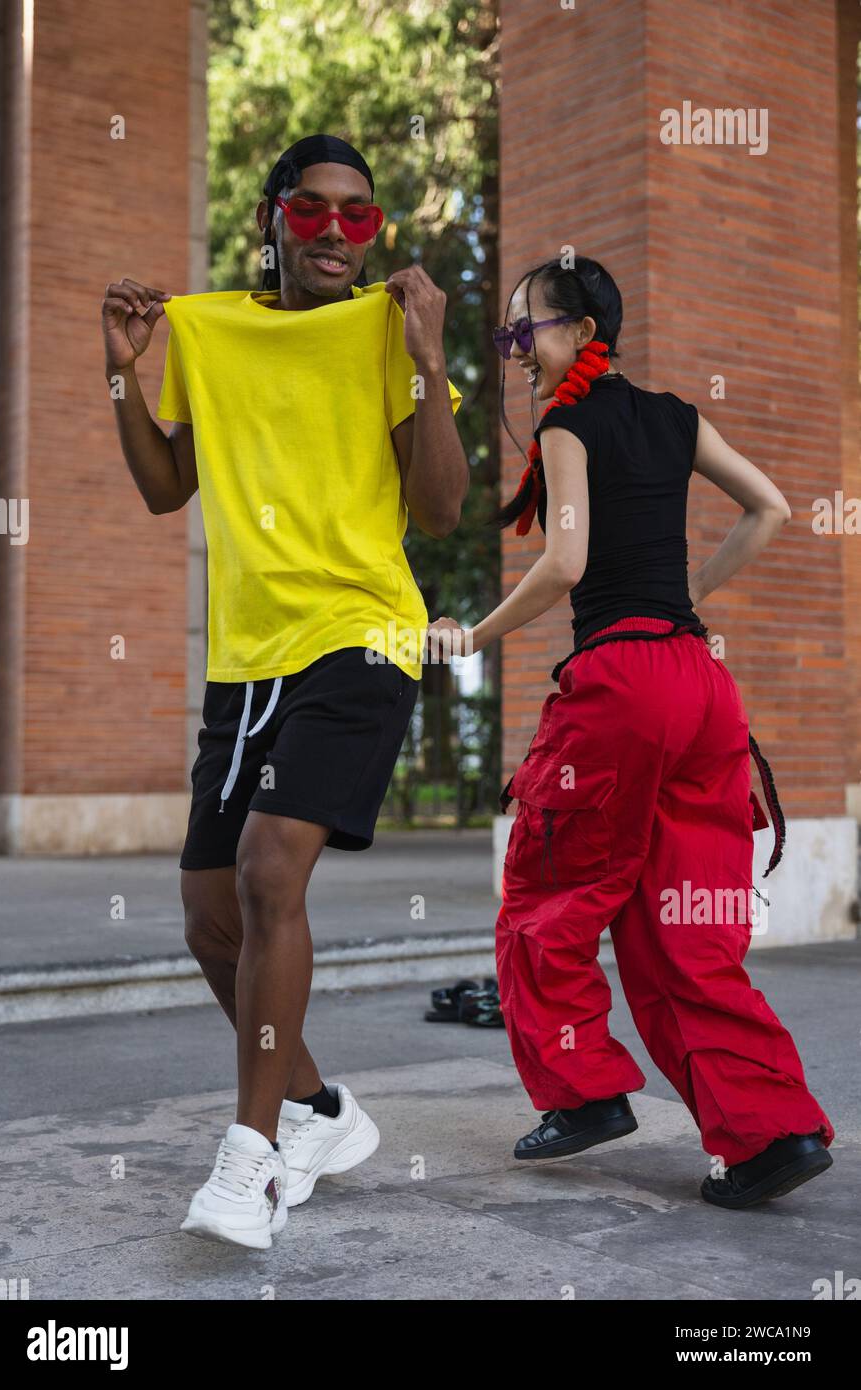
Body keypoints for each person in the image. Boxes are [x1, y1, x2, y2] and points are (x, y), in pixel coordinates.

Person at [102, 134, 466, 1249]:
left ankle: (249, 1161)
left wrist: (426, 349)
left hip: (362, 628)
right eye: (310, 210)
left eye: (358, 217)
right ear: (273, 217)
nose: (332, 233)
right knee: (212, 919)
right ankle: (317, 1111)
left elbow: (442, 509)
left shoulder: (384, 333)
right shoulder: (213, 331)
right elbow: (168, 488)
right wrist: (126, 365)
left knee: (269, 870)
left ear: (374, 236)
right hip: (247, 654)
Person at [429, 255, 834, 1211]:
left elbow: (565, 562)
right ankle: (770, 1133)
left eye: (522, 331)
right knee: (688, 926)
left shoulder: (570, 422)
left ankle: (586, 1095)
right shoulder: (677, 416)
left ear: (576, 330)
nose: (515, 352)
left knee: (548, 898)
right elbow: (770, 507)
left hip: (620, 686)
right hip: (702, 688)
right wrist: (686, 601)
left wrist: (471, 637)